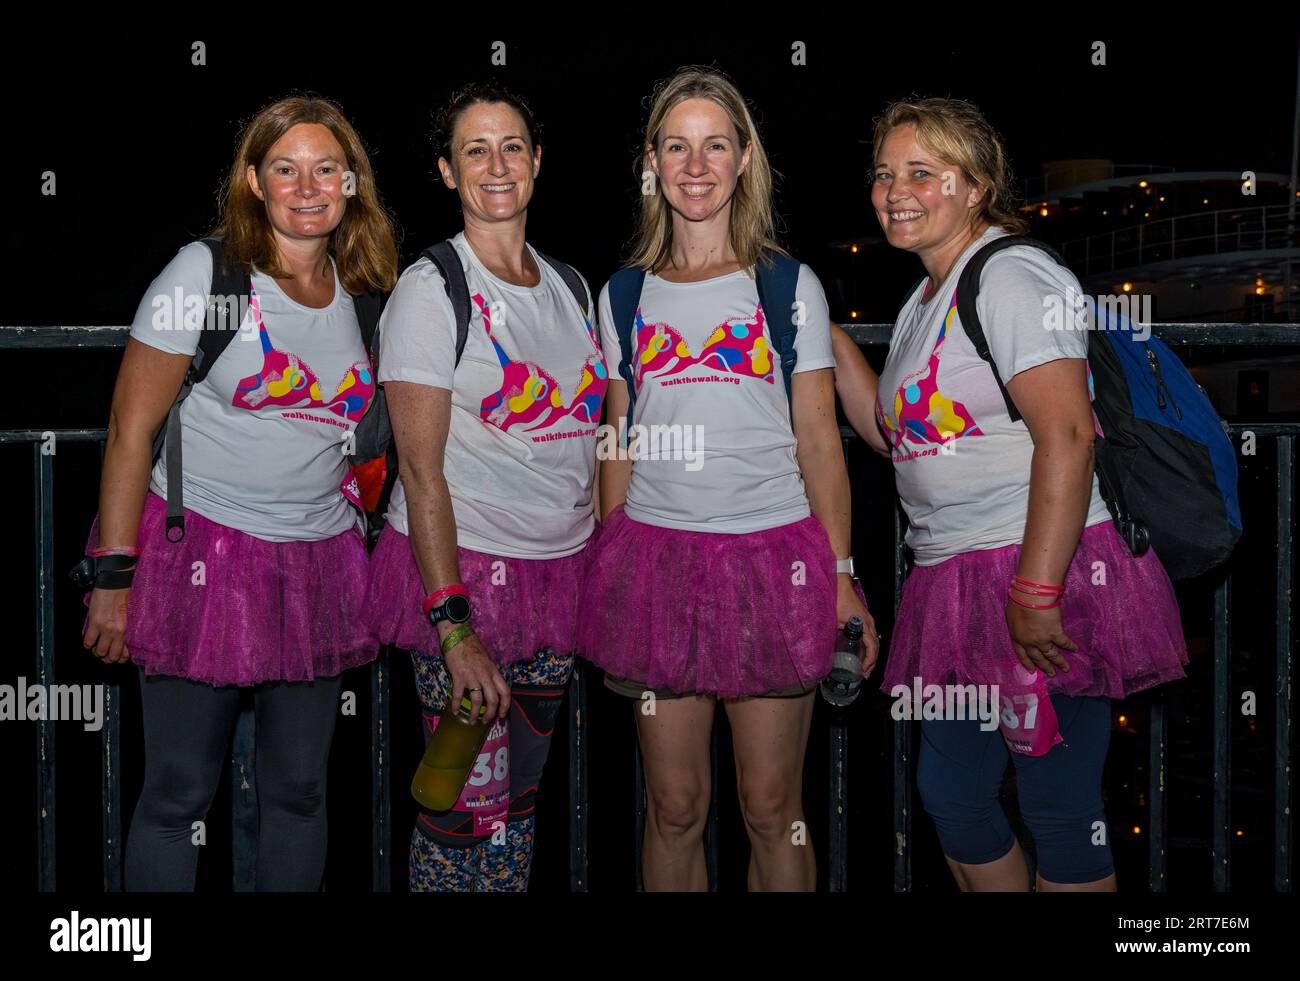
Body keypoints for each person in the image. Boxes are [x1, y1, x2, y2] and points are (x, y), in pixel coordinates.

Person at [832, 97, 1188, 891]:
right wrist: (817, 326)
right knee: (953, 795)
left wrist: (1037, 591)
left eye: (922, 173)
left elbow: (1066, 435)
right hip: (954, 580)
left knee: (1060, 804)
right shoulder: (927, 297)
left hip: (1038, 570)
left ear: (974, 185)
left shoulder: (1012, 274)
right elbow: (899, 436)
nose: (896, 190)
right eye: (885, 174)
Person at [79, 95, 399, 890]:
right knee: (179, 794)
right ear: (254, 181)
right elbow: (128, 430)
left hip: (317, 564)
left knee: (300, 792)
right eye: (285, 168)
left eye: (327, 168)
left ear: (352, 183)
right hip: (202, 557)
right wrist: (114, 581)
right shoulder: (208, 272)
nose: (307, 185)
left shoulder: (369, 294)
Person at [577, 67, 879, 892]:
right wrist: (614, 558)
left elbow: (821, 437)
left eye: (715, 145)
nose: (696, 164)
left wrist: (844, 577)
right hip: (657, 567)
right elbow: (617, 432)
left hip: (772, 564)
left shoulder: (787, 285)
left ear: (744, 159)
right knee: (674, 805)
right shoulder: (625, 294)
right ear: (653, 162)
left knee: (772, 804)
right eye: (677, 146)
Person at [365, 84, 605, 892]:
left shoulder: (574, 287)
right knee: (460, 812)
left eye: (512, 147)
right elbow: (420, 469)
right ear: (446, 170)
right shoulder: (433, 289)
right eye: (475, 149)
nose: (496, 165)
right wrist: (453, 627)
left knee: (519, 807)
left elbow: (594, 443)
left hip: (559, 579)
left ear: (538, 163)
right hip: (464, 581)